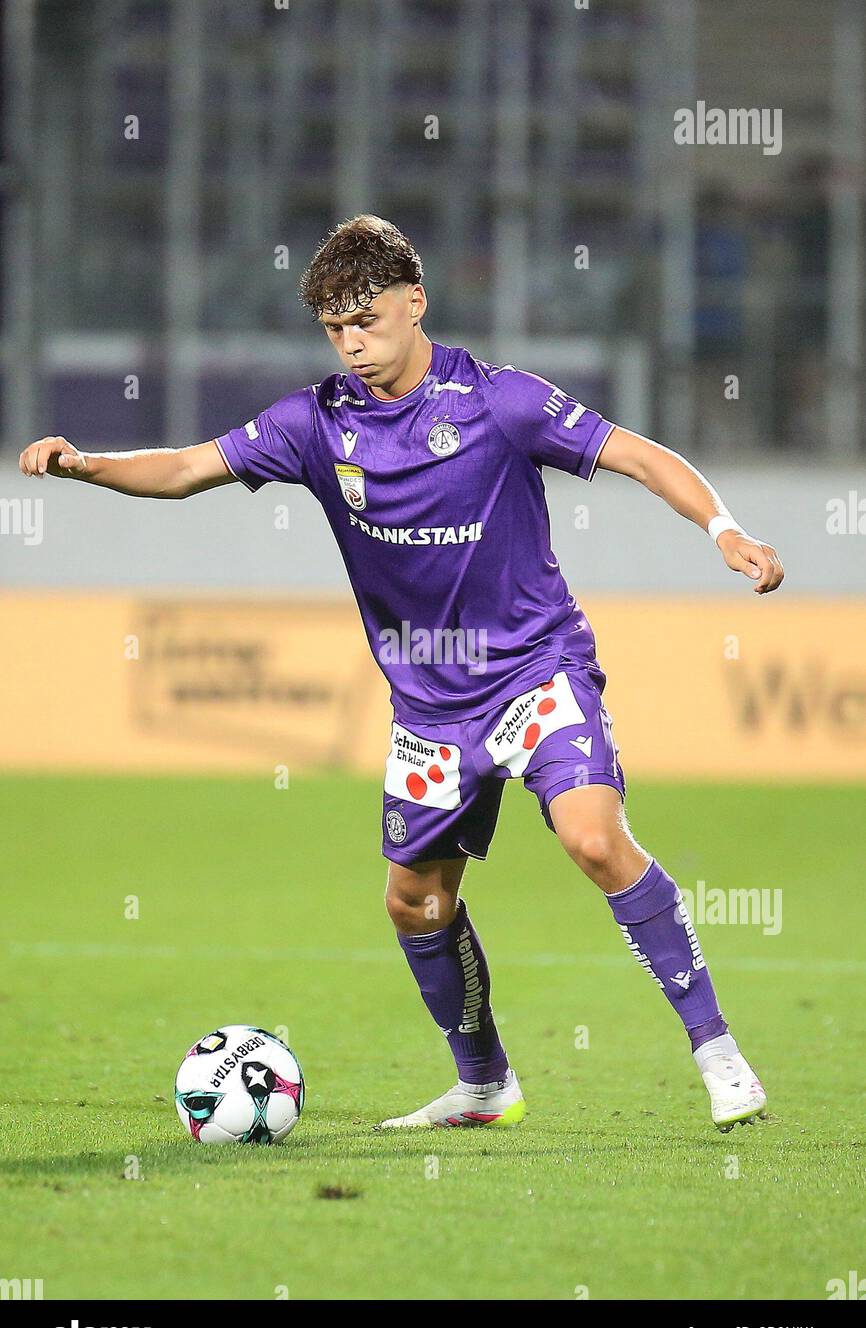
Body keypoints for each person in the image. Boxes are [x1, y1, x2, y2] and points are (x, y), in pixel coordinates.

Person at [19, 215, 784, 1131]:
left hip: (536, 670)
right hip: (429, 706)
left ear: (413, 304)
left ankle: (718, 1052)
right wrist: (89, 466)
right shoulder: (314, 423)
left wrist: (724, 529)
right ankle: (486, 1083)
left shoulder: (499, 402)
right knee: (416, 902)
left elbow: (638, 454)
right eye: (335, 327)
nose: (352, 341)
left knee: (590, 836)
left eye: (367, 319)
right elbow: (188, 467)